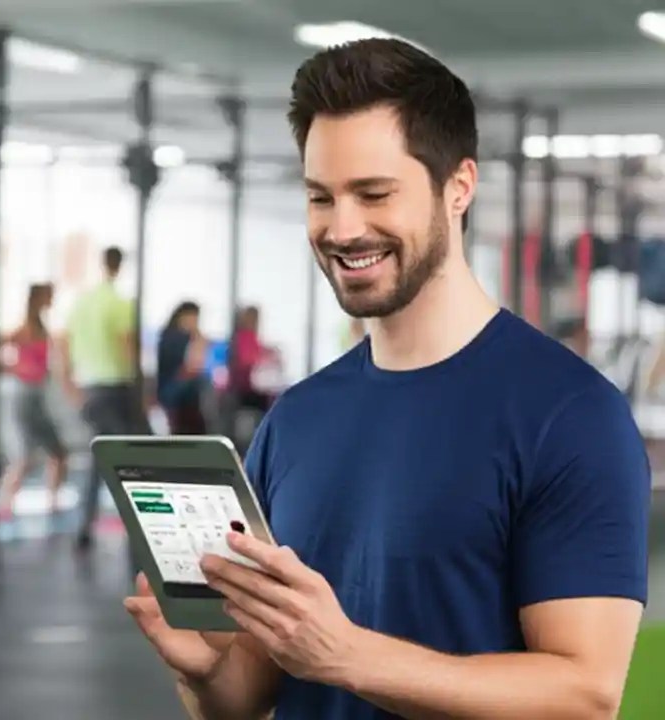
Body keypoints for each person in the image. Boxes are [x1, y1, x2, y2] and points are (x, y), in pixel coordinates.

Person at [127, 39, 649, 720]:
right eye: (321, 197)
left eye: (374, 194)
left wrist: (346, 655)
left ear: (458, 187)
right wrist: (203, 674)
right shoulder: (295, 421)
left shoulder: (572, 416)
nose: (342, 228)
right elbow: (251, 694)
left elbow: (584, 698)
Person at [58, 246, 151, 550]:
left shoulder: (82, 303)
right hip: (118, 389)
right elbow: (127, 348)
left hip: (90, 389)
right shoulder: (119, 303)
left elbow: (62, 344)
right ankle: (137, 527)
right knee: (131, 458)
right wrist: (144, 389)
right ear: (120, 266)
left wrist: (70, 386)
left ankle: (85, 525)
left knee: (100, 457)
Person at [0, 283, 68, 519]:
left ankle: (51, 501)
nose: (52, 300)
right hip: (24, 395)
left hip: (36, 394)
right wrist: (16, 367)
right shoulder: (25, 328)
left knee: (56, 452)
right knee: (28, 456)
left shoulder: (41, 327)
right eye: (49, 296)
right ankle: (5, 504)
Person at [156, 301, 209, 435]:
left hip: (175, 388)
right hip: (171, 389)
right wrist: (198, 340)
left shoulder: (171, 335)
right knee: (203, 382)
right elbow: (190, 368)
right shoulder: (176, 337)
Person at [228, 306, 280, 414]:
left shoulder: (250, 337)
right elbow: (248, 359)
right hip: (244, 388)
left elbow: (259, 351)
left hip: (250, 386)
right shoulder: (242, 337)